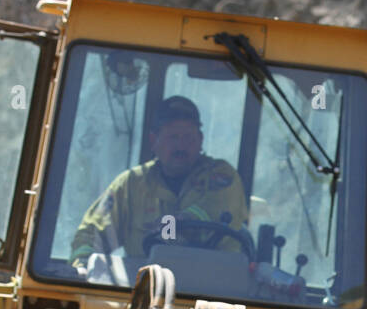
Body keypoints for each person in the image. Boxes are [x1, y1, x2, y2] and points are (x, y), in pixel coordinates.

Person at [71, 95, 248, 272]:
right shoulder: (131, 184)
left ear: (200, 140)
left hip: (214, 289)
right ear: (153, 140)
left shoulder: (221, 176)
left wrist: (173, 224)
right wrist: (82, 266)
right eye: (173, 137)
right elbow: (92, 233)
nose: (181, 146)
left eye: (188, 137)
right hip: (143, 290)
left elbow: (211, 213)